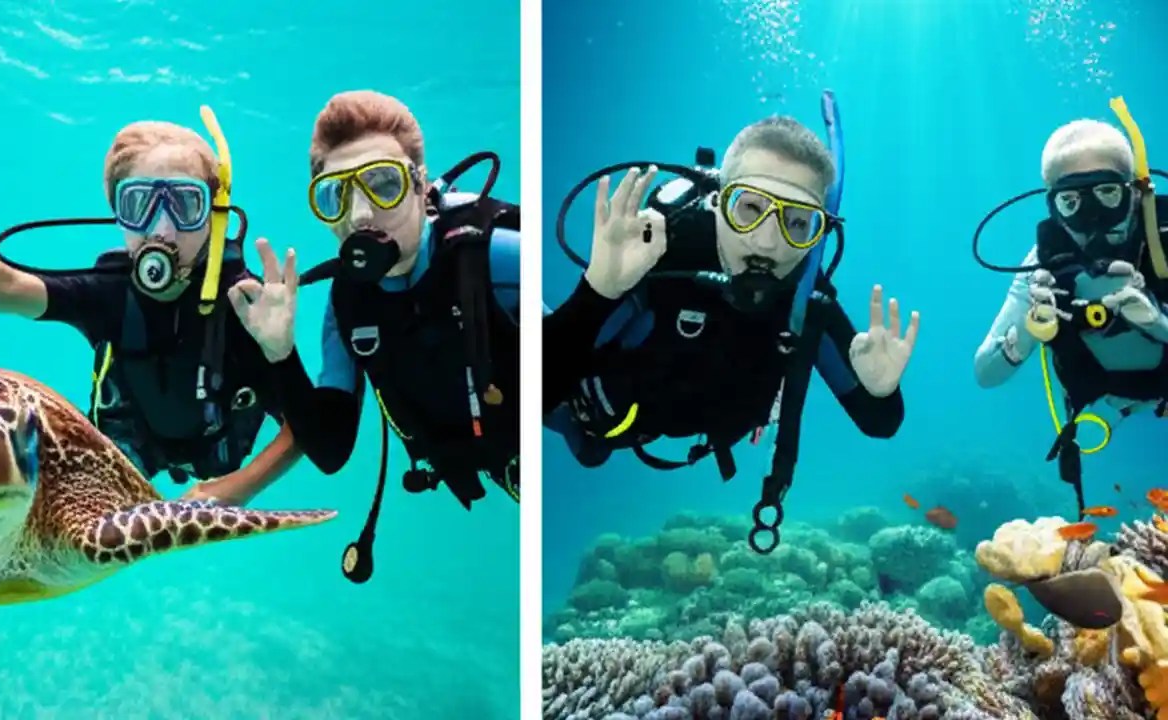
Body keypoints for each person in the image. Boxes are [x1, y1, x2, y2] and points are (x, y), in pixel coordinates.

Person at [543, 95, 920, 554]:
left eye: (797, 222)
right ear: (719, 203)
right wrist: (597, 290)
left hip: (696, 425)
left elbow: (880, 423)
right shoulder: (661, 253)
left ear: (818, 235)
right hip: (603, 420)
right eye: (749, 208)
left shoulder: (804, 298)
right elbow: (536, 389)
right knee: (589, 448)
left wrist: (880, 391)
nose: (766, 241)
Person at [0, 108, 302, 506]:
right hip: (126, 452)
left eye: (186, 205)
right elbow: (7, 287)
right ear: (118, 217)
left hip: (220, 453)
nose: (163, 229)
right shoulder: (110, 293)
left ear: (213, 215)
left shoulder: (245, 305)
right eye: (140, 205)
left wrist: (239, 488)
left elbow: (304, 426)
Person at [229, 90, 520, 583]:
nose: (359, 214)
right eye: (333, 196)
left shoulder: (493, 256)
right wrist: (280, 355)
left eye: (382, 184)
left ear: (419, 186)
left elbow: (574, 364)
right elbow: (331, 449)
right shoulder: (347, 305)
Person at [972, 102, 1168, 518]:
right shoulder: (1042, 266)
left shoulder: (1165, 239)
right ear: (1052, 204)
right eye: (1071, 202)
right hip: (1099, 402)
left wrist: (1158, 321)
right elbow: (985, 374)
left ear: (1134, 191)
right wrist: (1025, 332)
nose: (1092, 217)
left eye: (1107, 193)